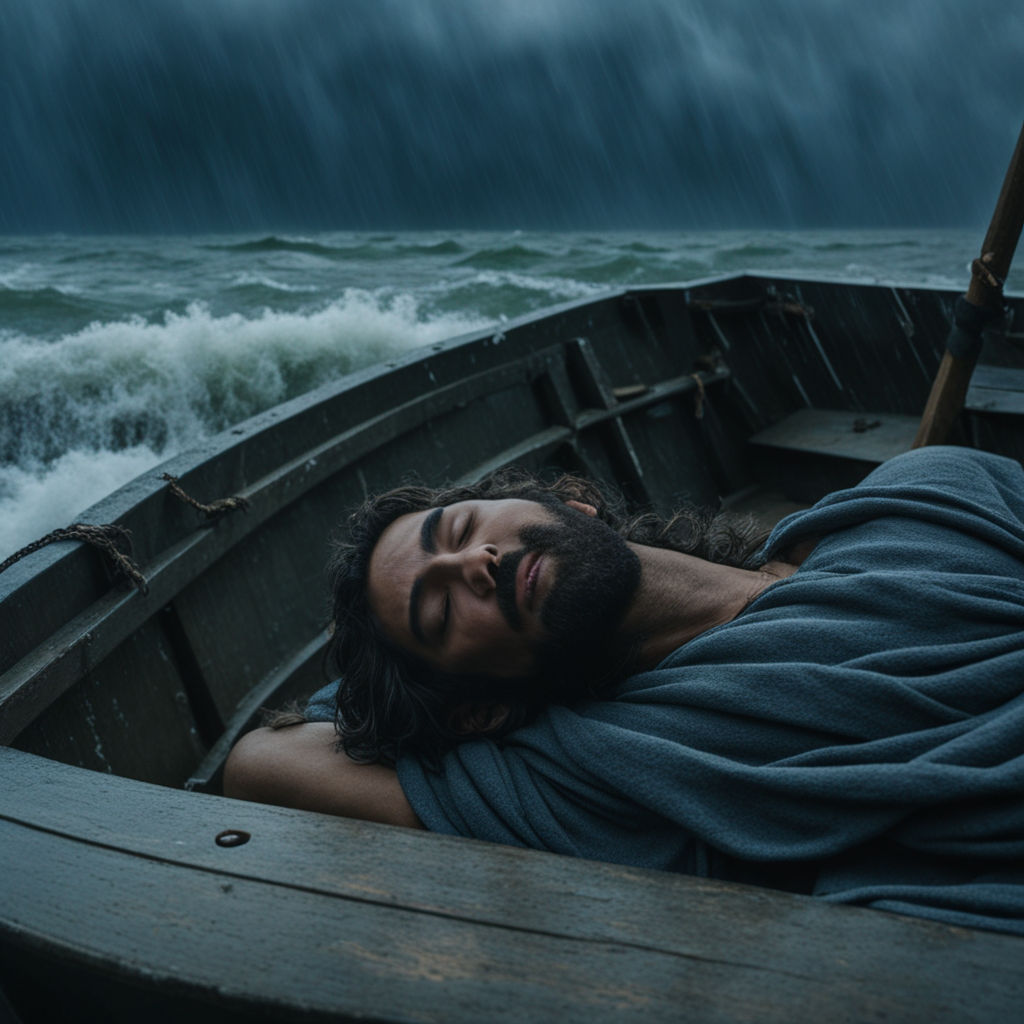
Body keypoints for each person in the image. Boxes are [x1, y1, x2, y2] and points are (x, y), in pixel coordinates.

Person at [225, 445, 1024, 936]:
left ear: (571, 504)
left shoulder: (934, 492)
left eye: (462, 530)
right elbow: (265, 762)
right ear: (481, 710)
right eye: (440, 611)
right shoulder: (604, 768)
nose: (473, 565)